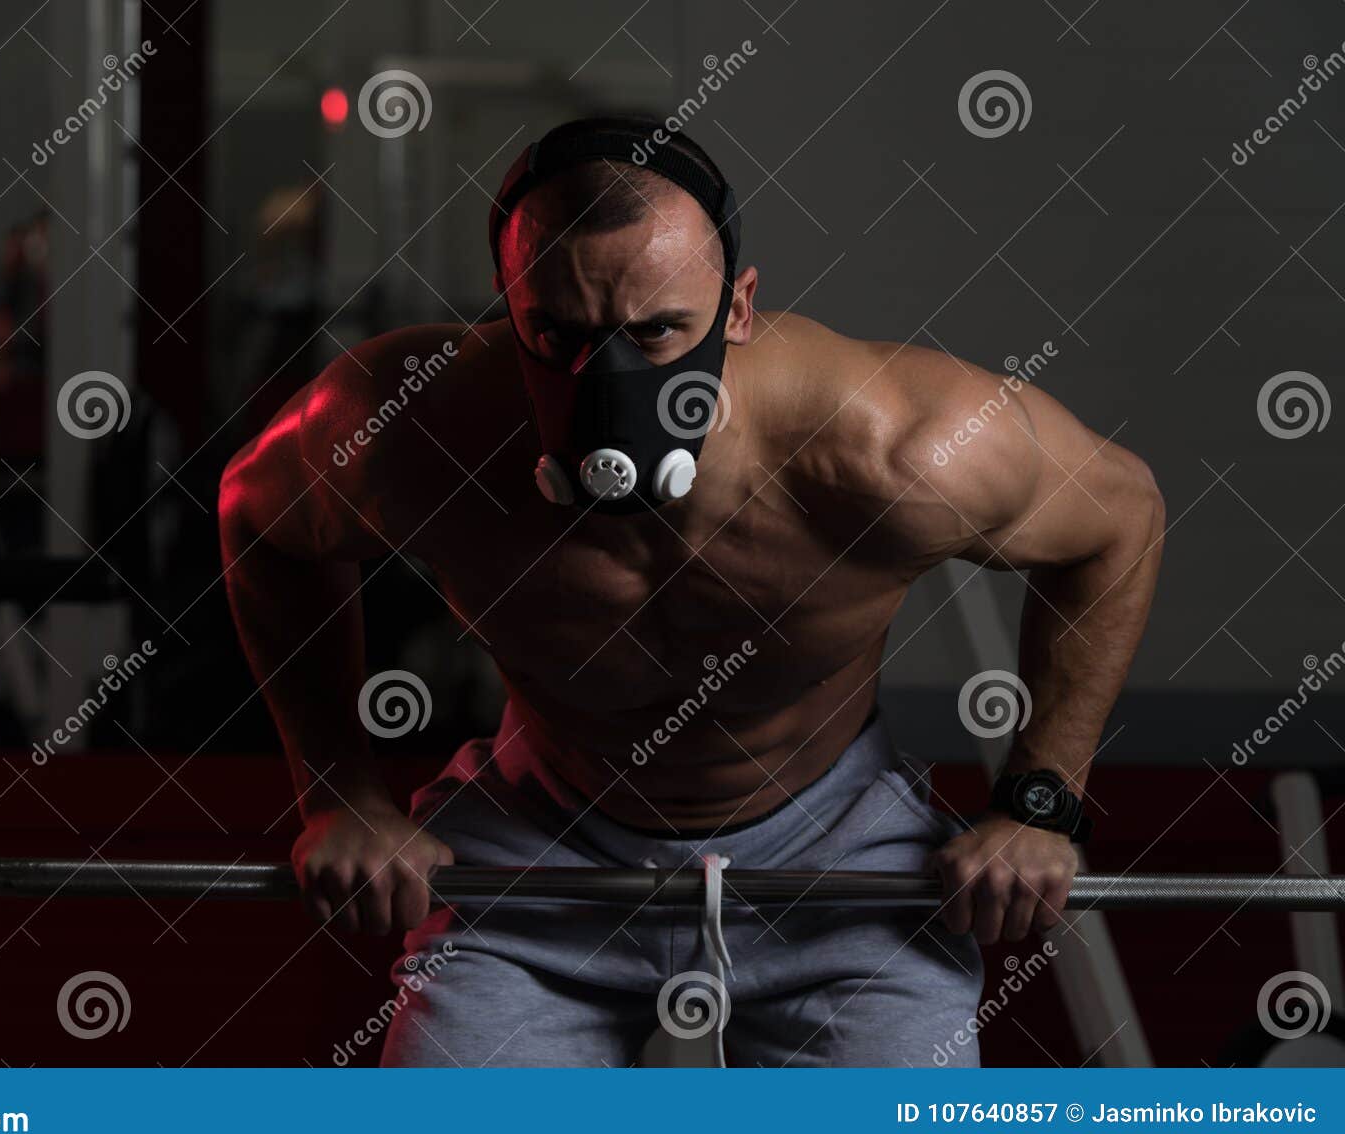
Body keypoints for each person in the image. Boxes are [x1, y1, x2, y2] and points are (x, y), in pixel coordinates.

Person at [218, 116, 1164, 1066]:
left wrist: (1043, 800)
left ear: (739, 309)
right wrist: (338, 791)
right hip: (538, 869)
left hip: (838, 881)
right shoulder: (410, 428)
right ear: (509, 311)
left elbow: (1120, 515)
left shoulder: (897, 448)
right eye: (559, 333)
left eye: (659, 331)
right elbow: (258, 516)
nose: (611, 380)